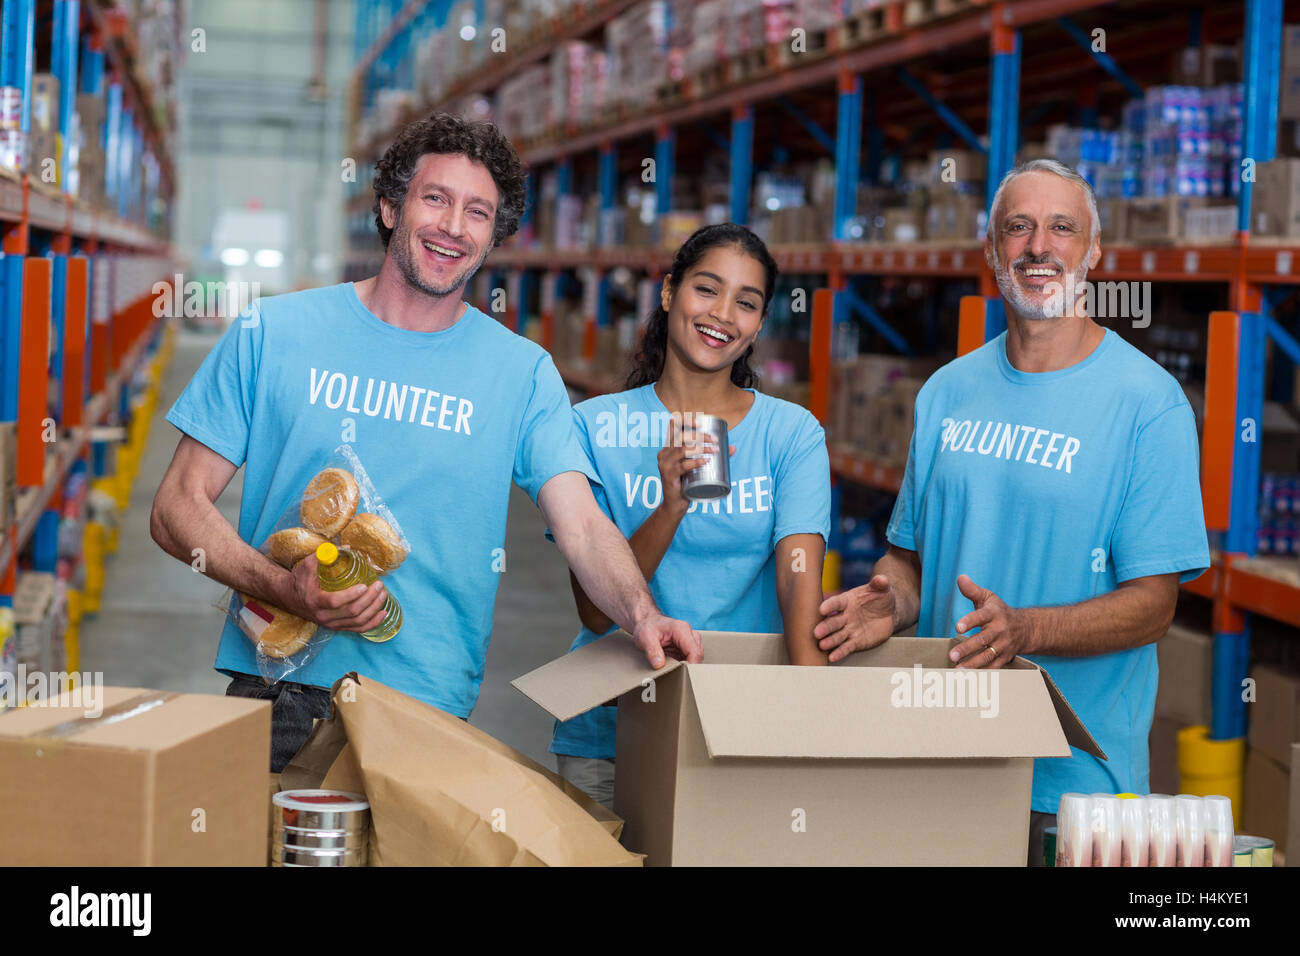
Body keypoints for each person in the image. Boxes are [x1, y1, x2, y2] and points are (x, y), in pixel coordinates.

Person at [150, 112, 700, 773]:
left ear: (493, 237)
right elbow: (176, 508)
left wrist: (642, 615)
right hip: (282, 688)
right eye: (434, 198)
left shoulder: (521, 373)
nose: (452, 226)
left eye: (477, 212)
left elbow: (582, 526)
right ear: (389, 206)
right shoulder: (275, 331)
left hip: (429, 707)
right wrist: (283, 588)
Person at [813, 158, 1210, 866]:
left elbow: (1154, 605)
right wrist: (891, 600)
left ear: (1093, 252)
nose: (1038, 247)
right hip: (940, 751)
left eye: (1062, 228)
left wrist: (1025, 629)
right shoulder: (945, 392)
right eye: (1017, 228)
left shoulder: (1148, 405)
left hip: (1073, 786)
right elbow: (909, 555)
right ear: (992, 251)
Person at [550, 223, 831, 808]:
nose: (723, 314)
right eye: (707, 289)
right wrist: (672, 504)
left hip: (740, 726)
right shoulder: (594, 427)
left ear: (758, 325)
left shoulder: (791, 434)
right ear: (669, 292)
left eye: (746, 303)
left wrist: (815, 721)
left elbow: (796, 580)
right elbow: (593, 613)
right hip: (612, 729)